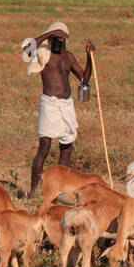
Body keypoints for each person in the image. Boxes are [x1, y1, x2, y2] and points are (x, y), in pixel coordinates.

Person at [27, 21, 95, 196]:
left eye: (62, 40)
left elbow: (84, 79)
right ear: (51, 40)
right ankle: (33, 190)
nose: (60, 44)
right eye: (56, 40)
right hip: (49, 104)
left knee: (67, 147)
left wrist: (89, 57)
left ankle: (60, 189)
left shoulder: (69, 57)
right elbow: (27, 49)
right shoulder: (44, 54)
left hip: (66, 105)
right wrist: (48, 34)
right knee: (44, 148)